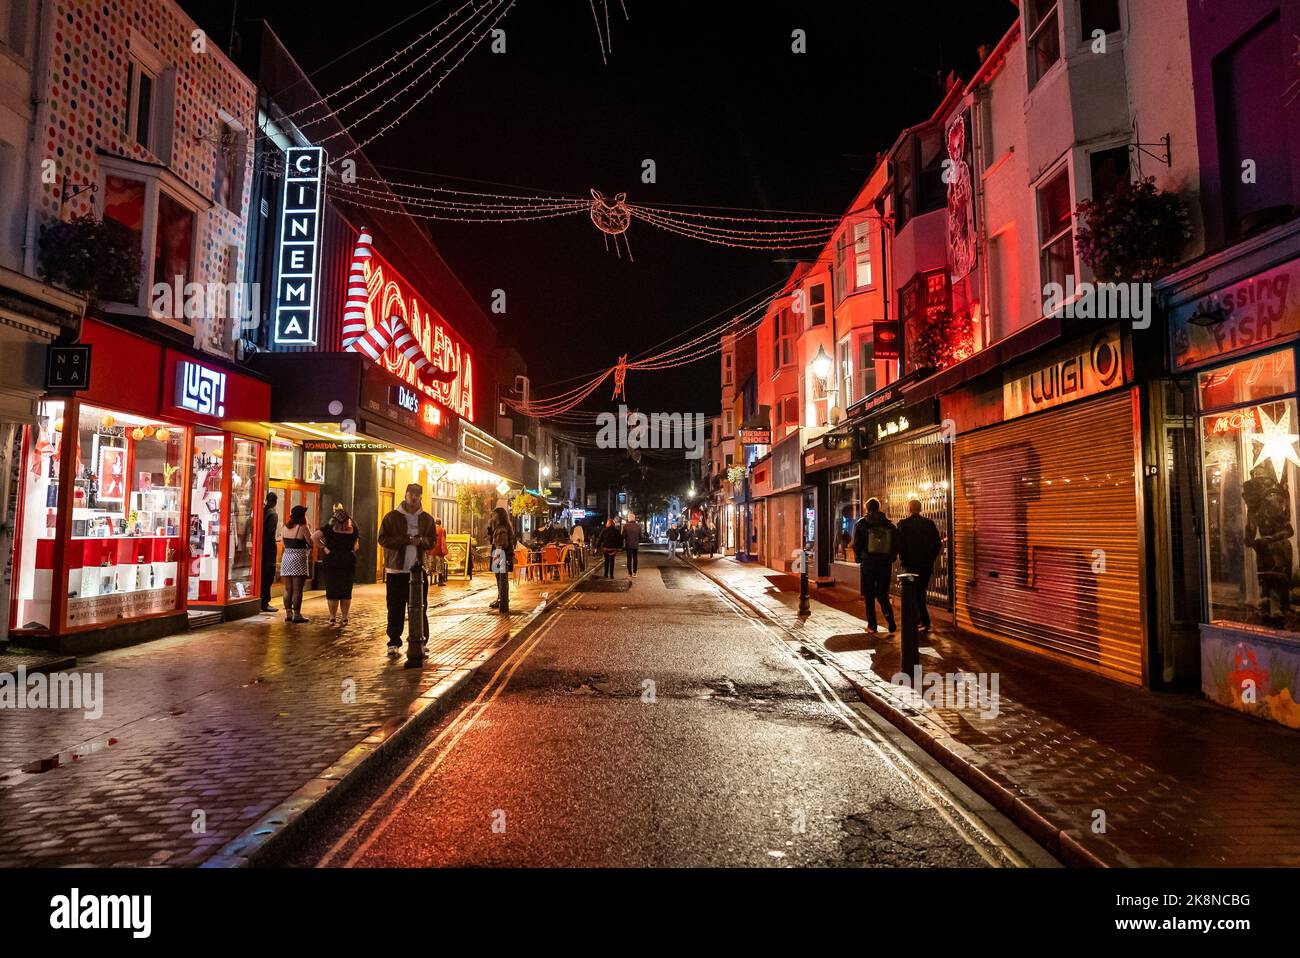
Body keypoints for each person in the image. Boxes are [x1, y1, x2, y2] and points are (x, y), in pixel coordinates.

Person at [377, 483, 437, 655]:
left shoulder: (427, 519)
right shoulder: (391, 517)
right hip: (396, 570)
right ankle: (393, 641)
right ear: (405, 495)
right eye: (411, 494)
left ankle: (421, 640)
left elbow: (432, 540)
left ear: (420, 497)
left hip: (418, 572)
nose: (413, 498)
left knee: (419, 607)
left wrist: (421, 541)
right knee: (395, 607)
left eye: (417, 495)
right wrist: (406, 539)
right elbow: (382, 539)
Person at [852, 497, 898, 634]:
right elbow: (896, 543)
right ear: (878, 507)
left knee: (869, 594)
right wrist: (891, 557)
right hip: (884, 563)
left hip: (868, 563)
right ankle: (890, 621)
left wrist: (859, 557)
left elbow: (856, 544)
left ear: (867, 508)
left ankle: (872, 625)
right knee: (882, 593)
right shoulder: (889, 524)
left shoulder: (861, 523)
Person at [896, 499, 943, 632]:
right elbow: (937, 544)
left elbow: (900, 546)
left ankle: (923, 621)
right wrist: (930, 559)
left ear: (909, 509)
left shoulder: (903, 525)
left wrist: (903, 561)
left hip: (910, 566)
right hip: (925, 565)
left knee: (914, 593)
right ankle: (919, 620)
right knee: (920, 591)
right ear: (920, 508)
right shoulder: (929, 524)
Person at [313, 503, 361, 626]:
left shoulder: (329, 528)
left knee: (332, 590)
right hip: (348, 561)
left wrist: (324, 547)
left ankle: (332, 617)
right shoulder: (354, 529)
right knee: (346, 590)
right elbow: (356, 546)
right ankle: (345, 617)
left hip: (332, 560)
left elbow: (314, 537)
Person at [279, 505, 312, 624]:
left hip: (286, 557)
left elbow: (283, 543)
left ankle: (288, 613)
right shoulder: (303, 527)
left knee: (288, 588)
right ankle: (297, 614)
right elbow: (311, 541)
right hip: (299, 557)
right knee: (298, 589)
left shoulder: (284, 527)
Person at [488, 507, 516, 614]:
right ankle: (500, 600)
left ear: (499, 515)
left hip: (500, 555)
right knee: (500, 578)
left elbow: (502, 543)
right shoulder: (501, 526)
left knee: (502, 579)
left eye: (494, 515)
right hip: (500, 554)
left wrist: (497, 554)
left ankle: (503, 603)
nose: (492, 516)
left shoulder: (502, 528)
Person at [260, 492, 279, 612]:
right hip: (268, 549)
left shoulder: (261, 511)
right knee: (268, 576)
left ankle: (260, 599)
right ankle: (265, 602)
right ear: (275, 502)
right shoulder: (273, 514)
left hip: (259, 547)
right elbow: (270, 532)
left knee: (261, 575)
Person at [623, 512, 642, 577]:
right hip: (635, 545)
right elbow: (640, 536)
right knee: (635, 558)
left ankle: (630, 573)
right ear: (634, 519)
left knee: (629, 559)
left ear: (628, 519)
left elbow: (623, 536)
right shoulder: (638, 526)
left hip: (628, 545)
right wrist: (637, 540)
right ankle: (635, 572)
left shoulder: (625, 526)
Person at [432, 517, 449, 585]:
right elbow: (444, 540)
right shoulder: (442, 530)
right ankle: (440, 580)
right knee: (440, 565)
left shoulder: (431, 530)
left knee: (433, 565)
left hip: (432, 551)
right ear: (440, 523)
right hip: (439, 551)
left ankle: (433, 580)